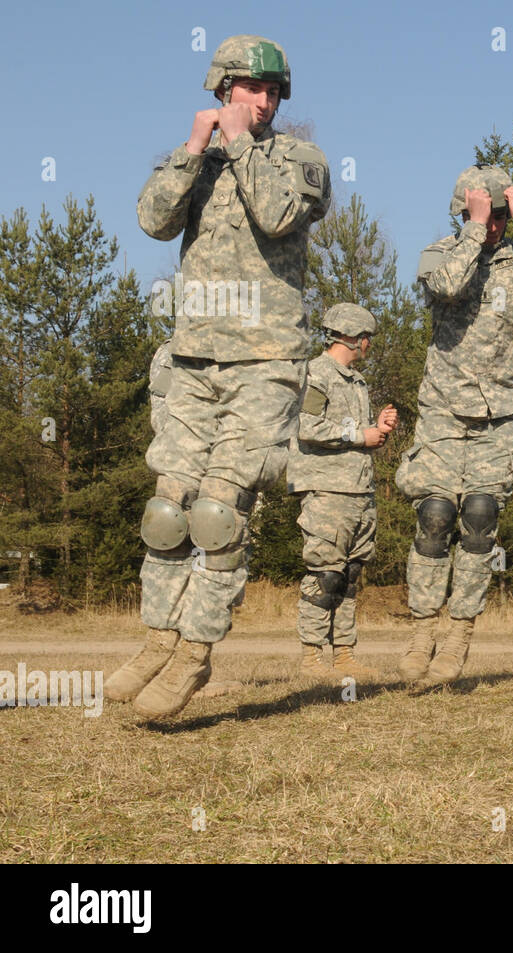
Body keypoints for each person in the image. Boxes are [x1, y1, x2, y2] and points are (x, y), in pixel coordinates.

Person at [108, 34, 330, 719]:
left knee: (219, 512)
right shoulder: (196, 159)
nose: (263, 102)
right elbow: (150, 220)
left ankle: (196, 654)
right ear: (221, 88)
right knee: (169, 508)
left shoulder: (301, 160)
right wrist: (190, 152)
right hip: (195, 358)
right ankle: (157, 636)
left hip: (265, 362)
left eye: (273, 92)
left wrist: (239, 146)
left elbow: (280, 214)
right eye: (250, 89)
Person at [396, 165, 513, 686]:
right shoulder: (441, 251)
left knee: (479, 517)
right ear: (465, 211)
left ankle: (458, 638)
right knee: (434, 515)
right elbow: (446, 287)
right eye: (484, 215)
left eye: (497, 216)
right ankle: (422, 631)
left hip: (503, 413)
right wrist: (474, 229)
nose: (492, 224)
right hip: (446, 409)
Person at [287, 304, 396, 680]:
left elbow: (357, 436)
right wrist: (358, 435)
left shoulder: (357, 382)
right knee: (325, 574)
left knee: (349, 574)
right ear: (353, 337)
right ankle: (312, 658)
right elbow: (306, 425)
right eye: (366, 338)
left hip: (358, 490)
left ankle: (345, 654)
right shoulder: (316, 374)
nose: (369, 344)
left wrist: (375, 429)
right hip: (327, 490)